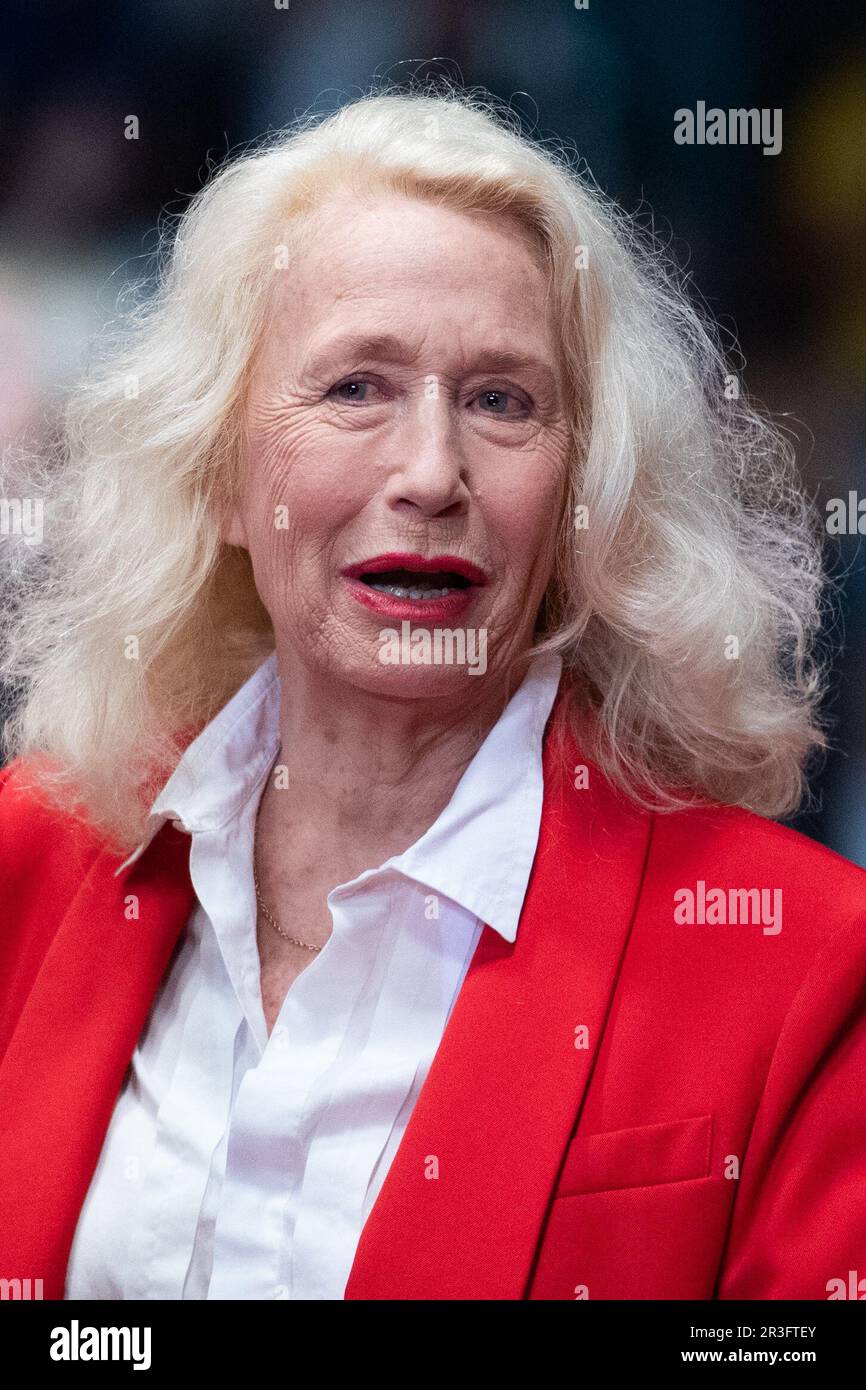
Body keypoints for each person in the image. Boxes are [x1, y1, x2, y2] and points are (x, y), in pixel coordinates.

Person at [1, 85, 864, 1302]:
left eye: (499, 401)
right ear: (223, 479)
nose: (429, 472)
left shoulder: (805, 956)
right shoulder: (28, 856)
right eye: (355, 387)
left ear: (580, 503)